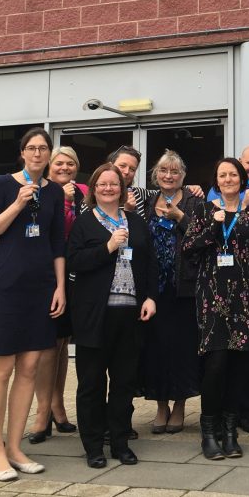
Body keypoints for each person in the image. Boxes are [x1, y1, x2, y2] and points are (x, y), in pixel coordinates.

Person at [0, 127, 66, 481]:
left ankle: (15, 447)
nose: (37, 154)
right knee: (0, 369)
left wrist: (60, 287)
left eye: (43, 148)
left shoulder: (55, 192)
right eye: (32, 148)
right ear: (22, 153)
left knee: (29, 367)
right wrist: (17, 203)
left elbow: (57, 242)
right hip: (7, 287)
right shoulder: (2, 184)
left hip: (41, 287)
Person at [67, 163, 158, 468]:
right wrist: (108, 246)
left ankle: (120, 442)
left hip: (130, 314)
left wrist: (150, 297)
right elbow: (75, 262)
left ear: (122, 189)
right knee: (91, 384)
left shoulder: (136, 221)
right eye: (102, 184)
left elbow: (150, 263)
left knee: (124, 383)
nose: (108, 189)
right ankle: (93, 446)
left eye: (114, 184)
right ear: (93, 189)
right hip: (95, 316)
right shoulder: (84, 223)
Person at [183, 157, 249, 460]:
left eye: (234, 174)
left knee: (237, 367)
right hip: (212, 298)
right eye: (223, 174)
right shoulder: (204, 211)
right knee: (216, 364)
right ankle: (209, 431)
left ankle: (231, 432)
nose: (228, 178)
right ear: (216, 181)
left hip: (244, 299)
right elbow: (189, 248)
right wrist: (211, 226)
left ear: (242, 179)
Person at [207, 144, 249, 432]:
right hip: (217, 292)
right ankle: (218, 415)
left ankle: (245, 411)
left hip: (248, 290)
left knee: (248, 356)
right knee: (219, 360)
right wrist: (244, 205)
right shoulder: (212, 197)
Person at [141, 150, 204, 435]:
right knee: (156, 348)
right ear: (156, 174)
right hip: (155, 288)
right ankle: (160, 405)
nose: (169, 176)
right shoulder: (145, 200)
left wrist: (180, 217)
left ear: (183, 176)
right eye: (164, 171)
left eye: (175, 172)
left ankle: (179, 406)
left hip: (184, 287)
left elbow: (203, 238)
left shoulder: (195, 201)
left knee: (182, 348)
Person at [28, 146, 86, 443]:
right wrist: (63, 202)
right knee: (48, 344)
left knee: (62, 344)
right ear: (50, 165)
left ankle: (58, 405)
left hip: (75, 275)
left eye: (71, 164)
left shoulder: (84, 191)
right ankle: (42, 413)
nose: (65, 168)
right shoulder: (43, 191)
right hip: (46, 271)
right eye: (60, 163)